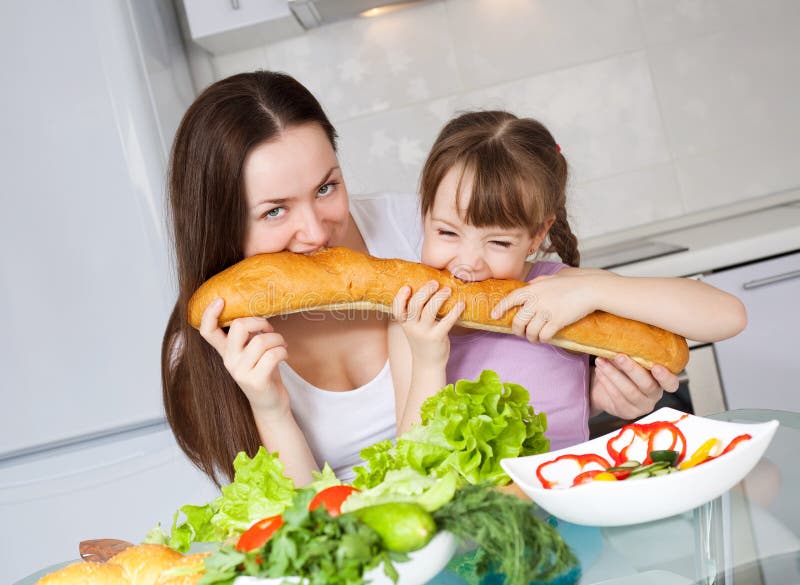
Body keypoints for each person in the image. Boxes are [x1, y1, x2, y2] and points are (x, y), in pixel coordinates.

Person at [162, 71, 685, 487]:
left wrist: (594, 393)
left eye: (326, 188)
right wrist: (268, 406)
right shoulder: (209, 352)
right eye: (275, 211)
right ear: (219, 221)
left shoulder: (427, 234)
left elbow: (520, 348)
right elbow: (297, 531)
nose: (316, 230)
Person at [389, 110, 747, 451]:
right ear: (424, 215)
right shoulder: (412, 319)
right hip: (480, 513)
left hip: (568, 499)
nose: (468, 262)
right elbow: (415, 461)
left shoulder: (560, 292)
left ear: (536, 235)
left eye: (498, 242)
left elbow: (728, 315)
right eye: (447, 232)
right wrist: (428, 362)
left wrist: (595, 287)